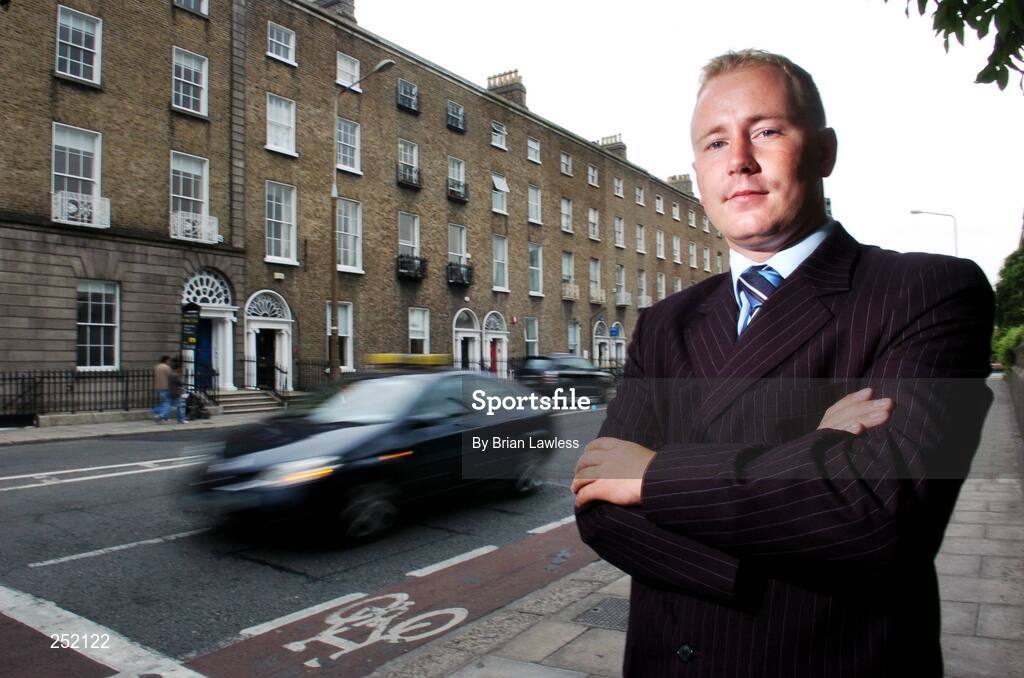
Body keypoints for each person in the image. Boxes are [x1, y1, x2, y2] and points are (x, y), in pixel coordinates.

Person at [572, 49, 993, 677]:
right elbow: (600, 508)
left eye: (766, 131)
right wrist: (813, 456)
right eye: (715, 143)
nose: (739, 158)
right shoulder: (666, 322)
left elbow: (880, 515)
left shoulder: (928, 290)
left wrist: (657, 477)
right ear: (698, 171)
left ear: (824, 151)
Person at [151, 355, 172, 423]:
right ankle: (161, 416)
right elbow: (170, 377)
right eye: (169, 360)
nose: (170, 362)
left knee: (162, 403)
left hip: (158, 387)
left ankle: (165, 418)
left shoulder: (157, 367)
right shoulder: (167, 367)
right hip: (165, 387)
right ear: (166, 360)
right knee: (167, 403)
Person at [169, 357, 188, 424]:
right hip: (177, 392)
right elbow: (180, 383)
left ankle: (179, 419)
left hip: (171, 391)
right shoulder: (176, 375)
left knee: (171, 406)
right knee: (181, 407)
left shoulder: (170, 374)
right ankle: (181, 419)